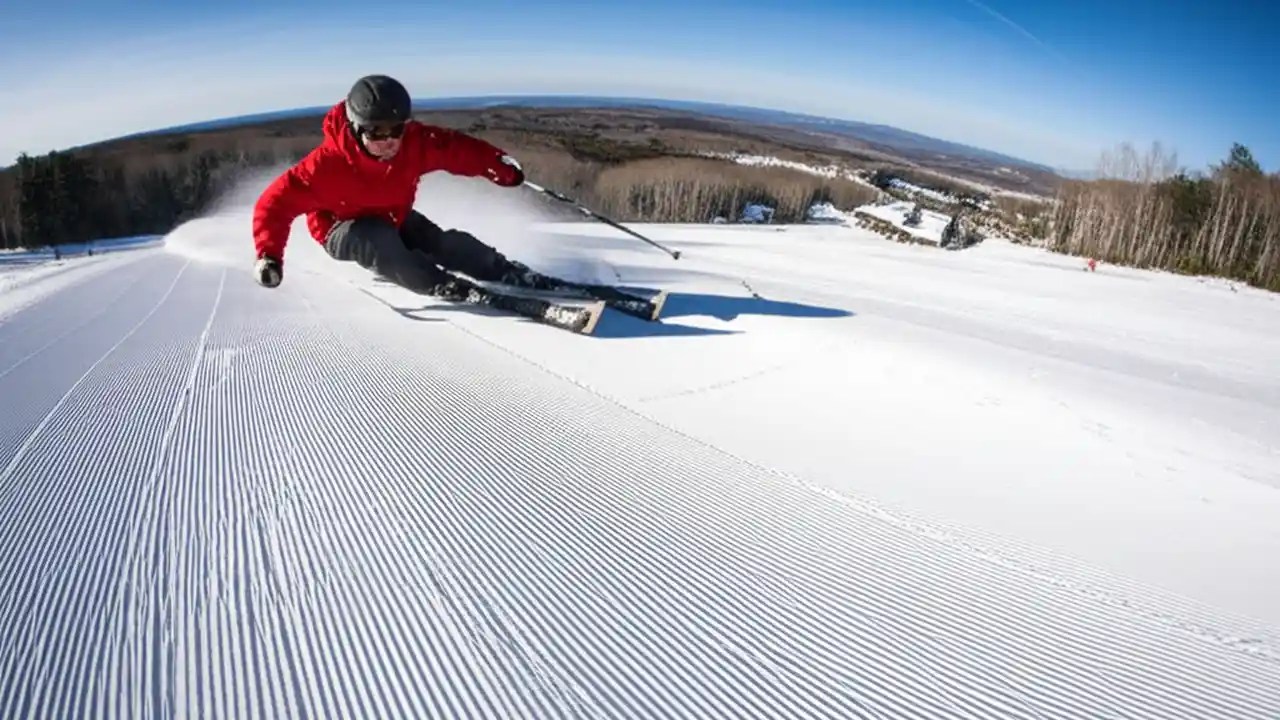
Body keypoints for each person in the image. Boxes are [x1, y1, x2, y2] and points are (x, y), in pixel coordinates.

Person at [250, 74, 559, 296]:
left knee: (438, 242)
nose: (389, 141)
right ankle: (438, 283)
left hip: (392, 213)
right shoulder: (324, 167)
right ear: (356, 130)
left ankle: (501, 270)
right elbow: (274, 204)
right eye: (376, 133)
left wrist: (498, 167)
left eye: (396, 130)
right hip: (341, 228)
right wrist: (269, 255)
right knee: (378, 240)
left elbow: (455, 149)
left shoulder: (413, 144)